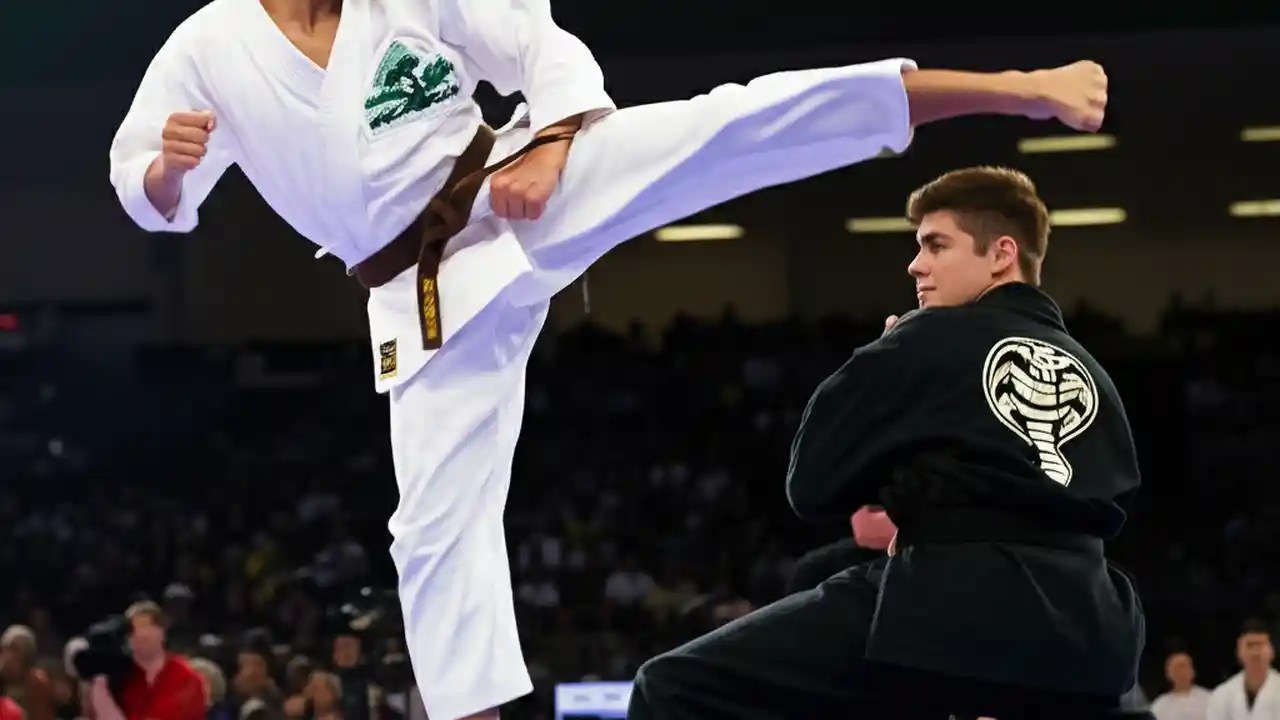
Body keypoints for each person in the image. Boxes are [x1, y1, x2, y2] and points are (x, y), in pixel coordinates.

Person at [107, 1, 1108, 716]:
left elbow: (537, 43)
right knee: (431, 529)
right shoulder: (208, 42)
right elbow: (145, 189)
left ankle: (1006, 89)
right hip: (418, 292)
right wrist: (168, 169)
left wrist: (547, 145)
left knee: (732, 122)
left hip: (509, 184)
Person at [627, 166, 1147, 719]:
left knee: (671, 686)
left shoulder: (930, 335)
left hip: (945, 615)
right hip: (1092, 635)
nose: (915, 264)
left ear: (1000, 254)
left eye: (935, 245)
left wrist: (881, 354)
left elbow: (812, 486)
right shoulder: (1096, 372)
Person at [1208, 620, 1280, 719]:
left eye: (1260, 645)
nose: (1255, 653)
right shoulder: (1222, 694)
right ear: (1239, 652)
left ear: (1272, 651)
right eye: (1249, 645)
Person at [1150, 649, 1210, 720]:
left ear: (1192, 671)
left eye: (1183, 666)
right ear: (1168, 674)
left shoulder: (1208, 698)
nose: (1181, 672)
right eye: (1176, 668)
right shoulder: (1159, 705)